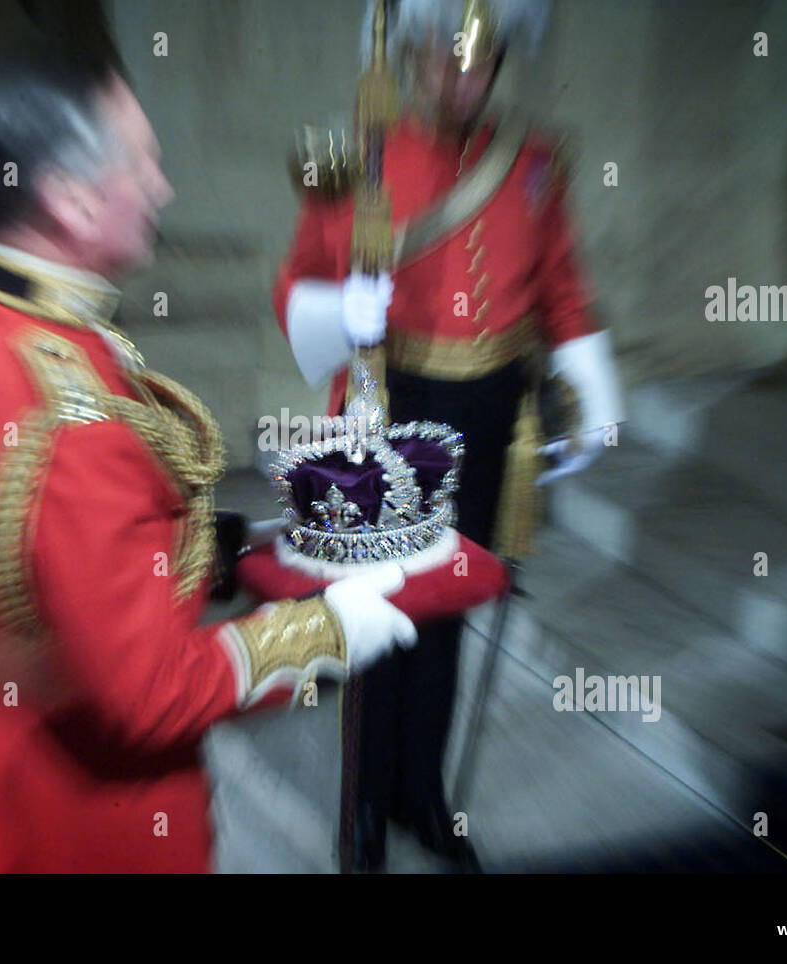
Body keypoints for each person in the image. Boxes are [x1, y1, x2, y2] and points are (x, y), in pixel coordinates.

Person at [0, 54, 418, 873]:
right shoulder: (73, 418)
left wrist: (229, 550)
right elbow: (152, 690)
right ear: (70, 198)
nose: (163, 189)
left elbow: (52, 561)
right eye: (143, 163)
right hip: (82, 807)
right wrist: (333, 629)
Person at [272, 0, 625, 870]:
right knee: (379, 604)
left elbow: (562, 286)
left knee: (452, 604)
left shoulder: (535, 163)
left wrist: (593, 388)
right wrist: (338, 310)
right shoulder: (363, 153)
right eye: (445, 58)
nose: (462, 79)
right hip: (393, 395)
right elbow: (296, 286)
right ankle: (361, 810)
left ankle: (419, 794)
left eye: (481, 61)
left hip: (496, 404)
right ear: (416, 52)